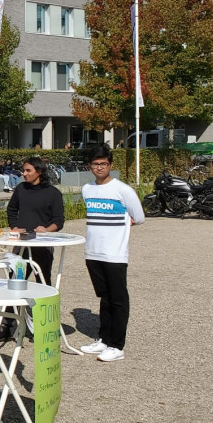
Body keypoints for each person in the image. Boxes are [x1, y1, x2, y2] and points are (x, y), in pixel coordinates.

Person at [80, 145, 144, 362]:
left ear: (110, 165)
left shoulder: (123, 190)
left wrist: (119, 228)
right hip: (93, 252)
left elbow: (139, 217)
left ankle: (117, 345)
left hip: (115, 254)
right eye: (96, 164)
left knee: (118, 299)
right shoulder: (87, 189)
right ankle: (104, 339)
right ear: (89, 166)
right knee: (104, 298)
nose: (99, 167)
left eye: (104, 164)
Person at [7, 155, 65, 286]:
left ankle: (41, 306)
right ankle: (13, 307)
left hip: (42, 245)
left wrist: (46, 230)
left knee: (43, 282)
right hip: (21, 244)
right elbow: (11, 209)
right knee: (15, 281)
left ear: (39, 172)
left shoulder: (53, 193)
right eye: (24, 170)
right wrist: (14, 226)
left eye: (28, 170)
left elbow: (59, 220)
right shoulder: (21, 188)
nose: (24, 174)